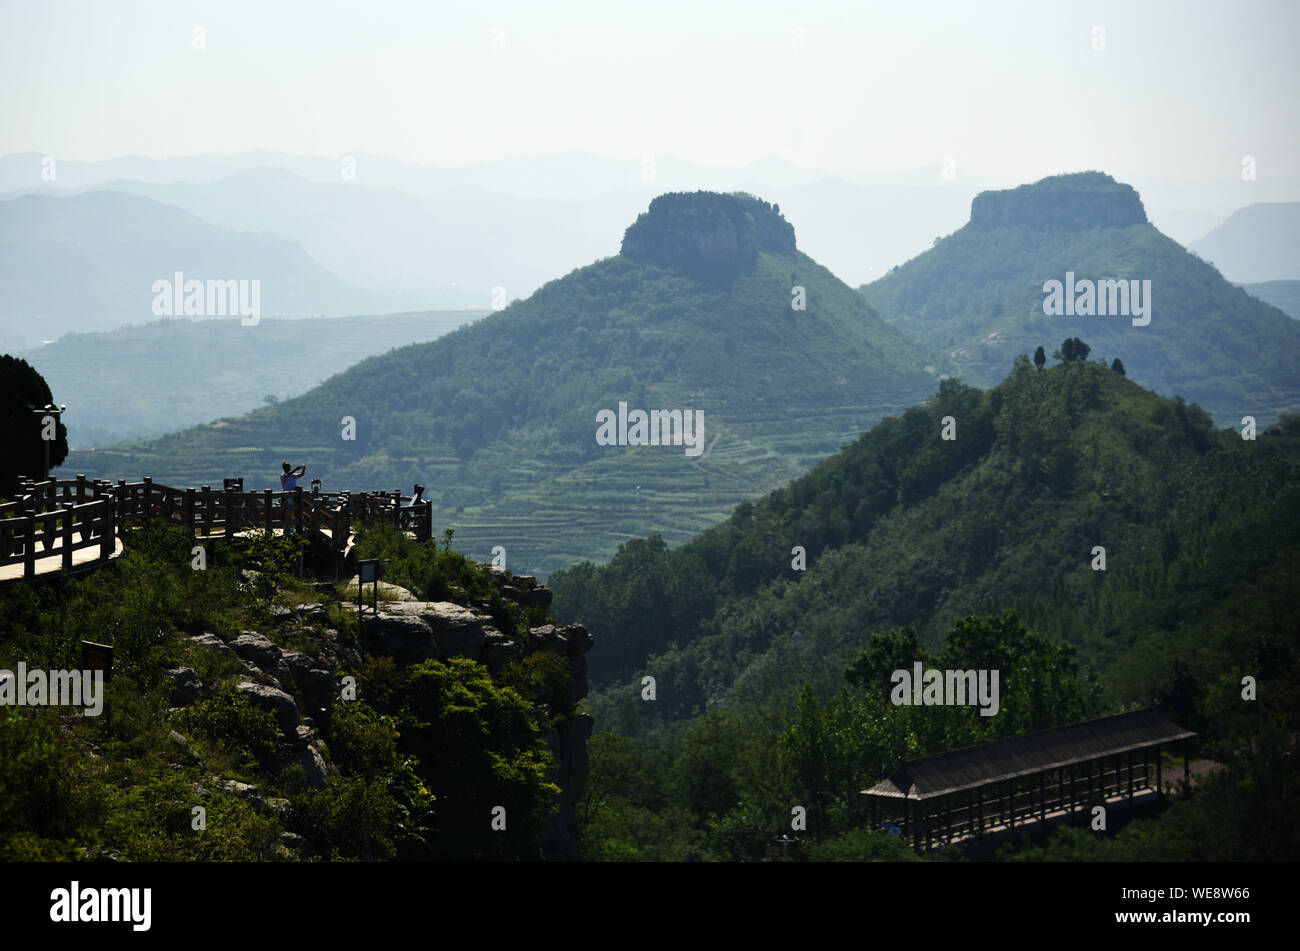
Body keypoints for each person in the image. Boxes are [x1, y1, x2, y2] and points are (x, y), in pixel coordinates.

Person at [280, 462, 306, 533]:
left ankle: (289, 528)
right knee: (287, 513)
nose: (289, 468)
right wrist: (295, 469)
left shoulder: (292, 475)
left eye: (289, 467)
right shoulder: (283, 475)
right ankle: (286, 529)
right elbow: (287, 475)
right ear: (284, 468)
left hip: (293, 497)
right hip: (286, 497)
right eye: (288, 467)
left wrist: (303, 468)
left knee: (291, 512)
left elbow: (301, 475)